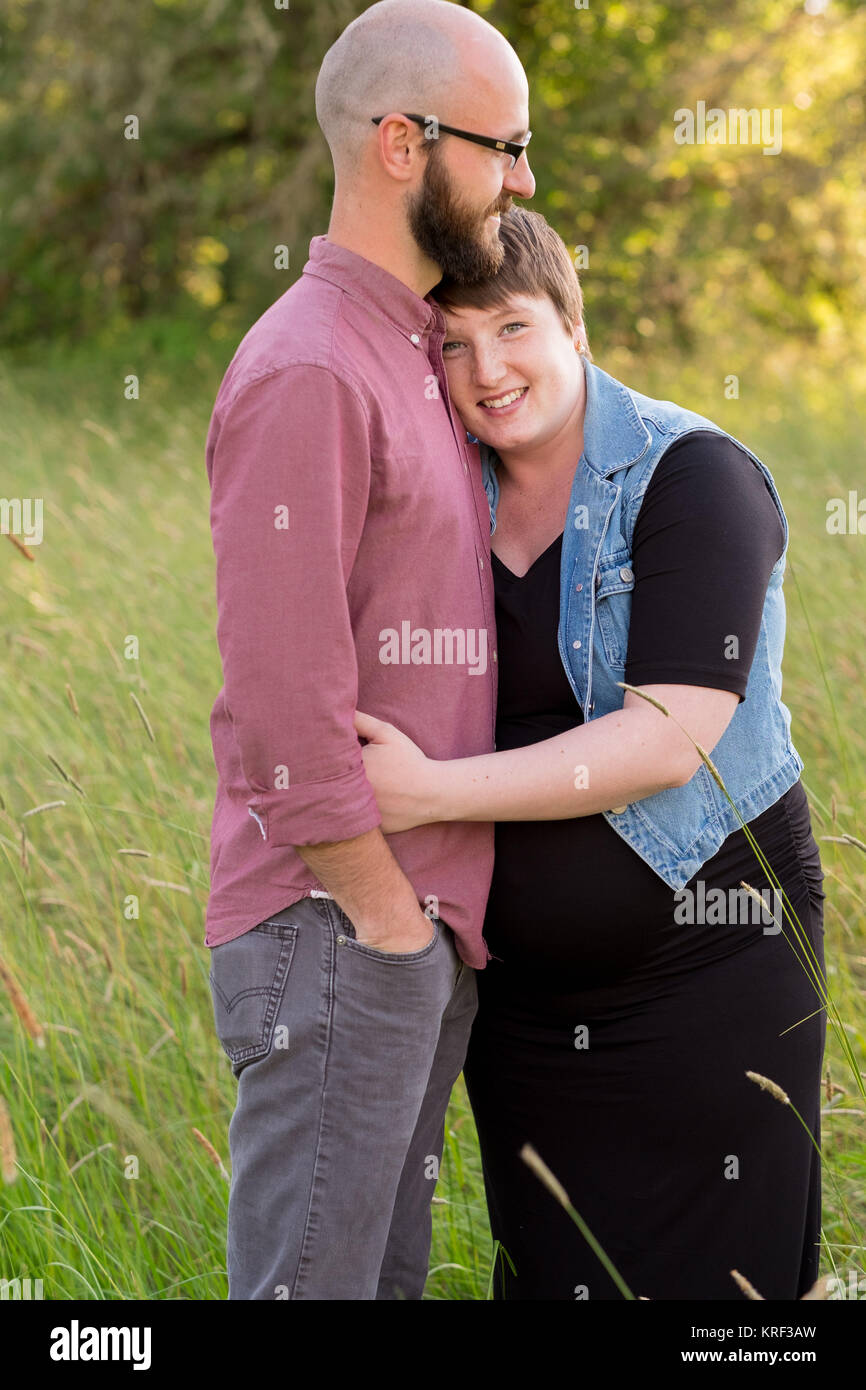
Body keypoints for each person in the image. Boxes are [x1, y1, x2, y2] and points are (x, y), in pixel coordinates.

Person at [355, 207, 827, 1301]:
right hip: (522, 1011)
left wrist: (426, 794)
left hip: (709, 964)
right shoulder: (442, 490)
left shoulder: (694, 478)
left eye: (512, 328)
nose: (486, 370)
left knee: (723, 1293)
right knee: (557, 1270)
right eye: (454, 344)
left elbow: (668, 737)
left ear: (572, 322)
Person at [203, 0, 536, 1299]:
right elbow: (284, 705)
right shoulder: (311, 369)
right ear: (401, 142)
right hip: (337, 925)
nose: (520, 178)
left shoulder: (415, 350)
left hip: (401, 930)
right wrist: (390, 925)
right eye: (501, 146)